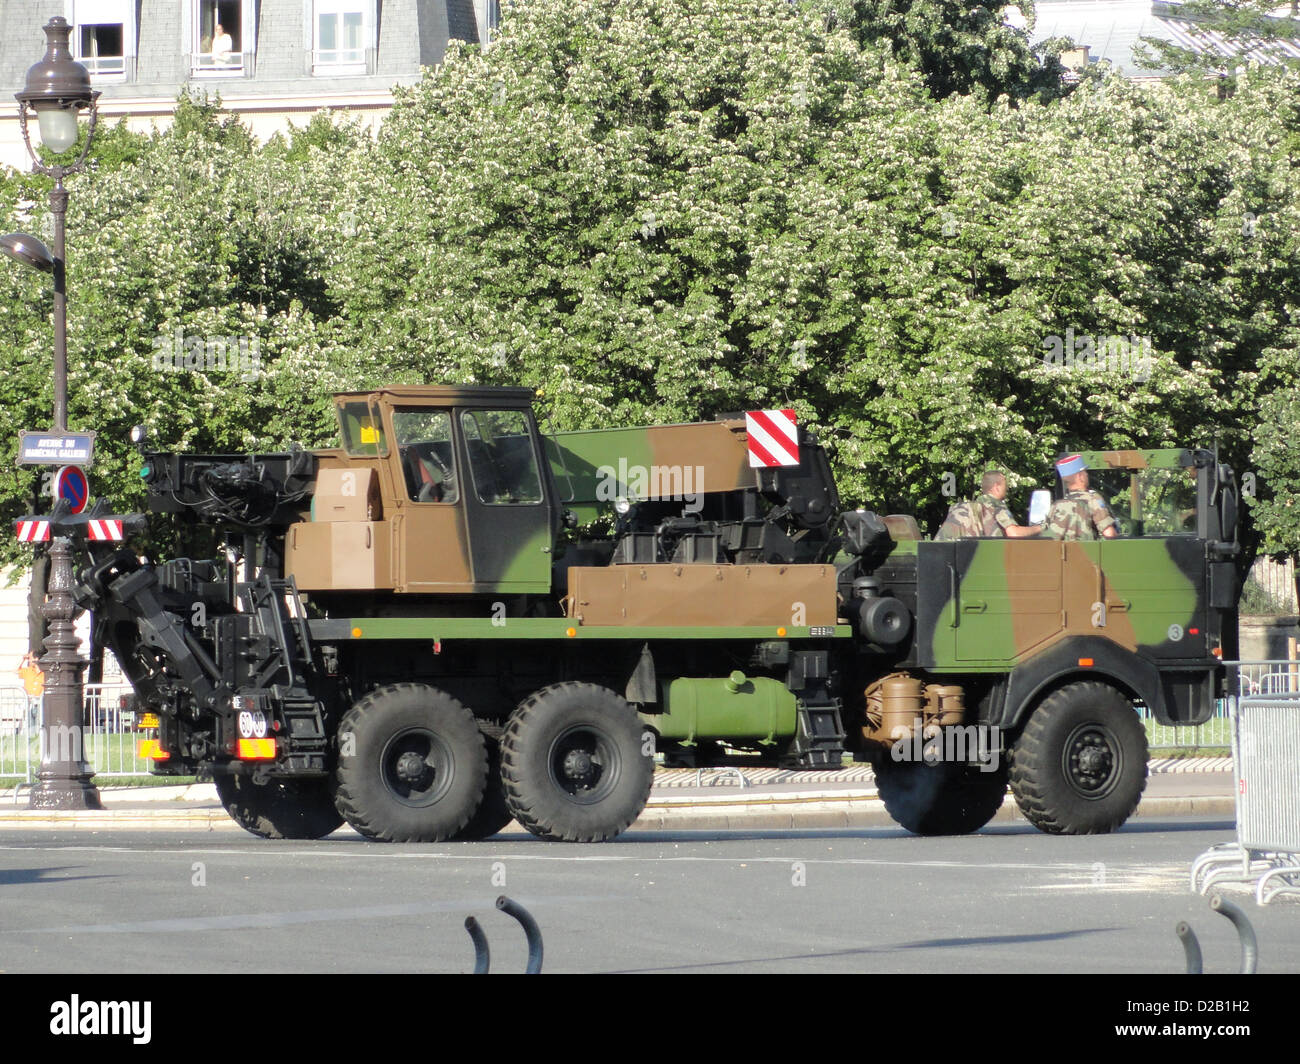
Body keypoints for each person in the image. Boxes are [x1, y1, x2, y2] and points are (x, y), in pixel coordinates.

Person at [934, 469, 1043, 540]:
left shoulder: (973, 507)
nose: (1007, 488)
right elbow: (1014, 533)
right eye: (1005, 485)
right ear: (997, 487)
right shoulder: (995, 505)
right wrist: (1041, 528)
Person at [1041, 454, 1119, 540]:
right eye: (1085, 472)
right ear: (1080, 477)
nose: (1087, 475)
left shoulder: (1056, 506)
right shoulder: (1093, 499)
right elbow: (1109, 533)